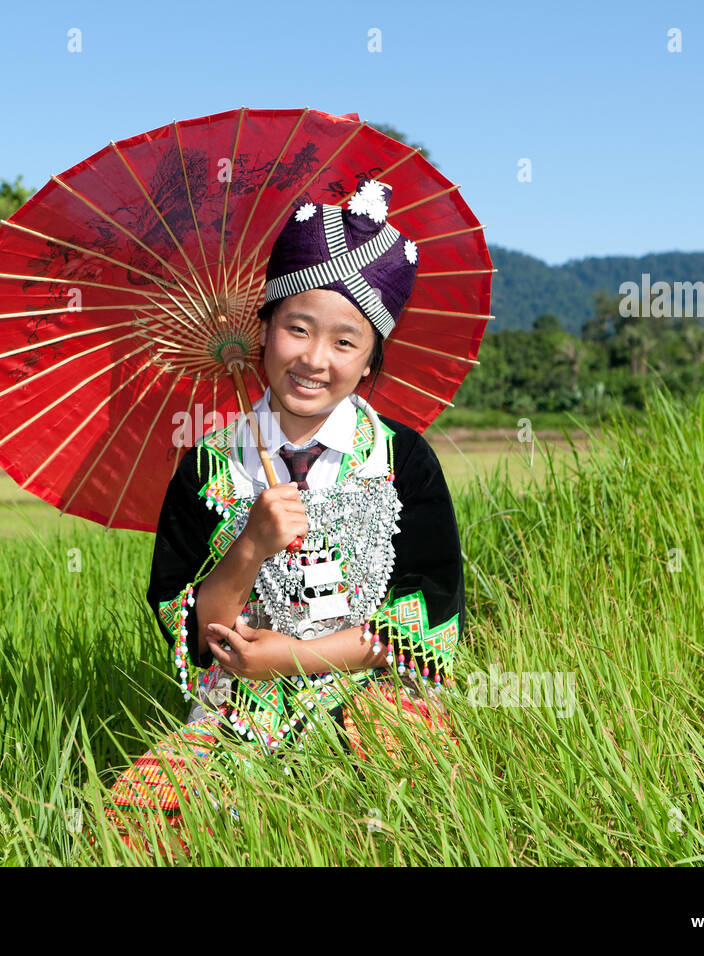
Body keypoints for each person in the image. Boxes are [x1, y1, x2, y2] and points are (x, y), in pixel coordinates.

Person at [102, 178, 466, 857]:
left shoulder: (400, 460)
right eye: (297, 328)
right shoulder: (210, 464)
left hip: (369, 688)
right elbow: (199, 625)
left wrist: (294, 656)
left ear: (368, 365)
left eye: (344, 343)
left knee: (410, 800)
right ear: (264, 331)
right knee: (136, 817)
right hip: (243, 702)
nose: (313, 359)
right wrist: (250, 546)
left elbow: (425, 619)